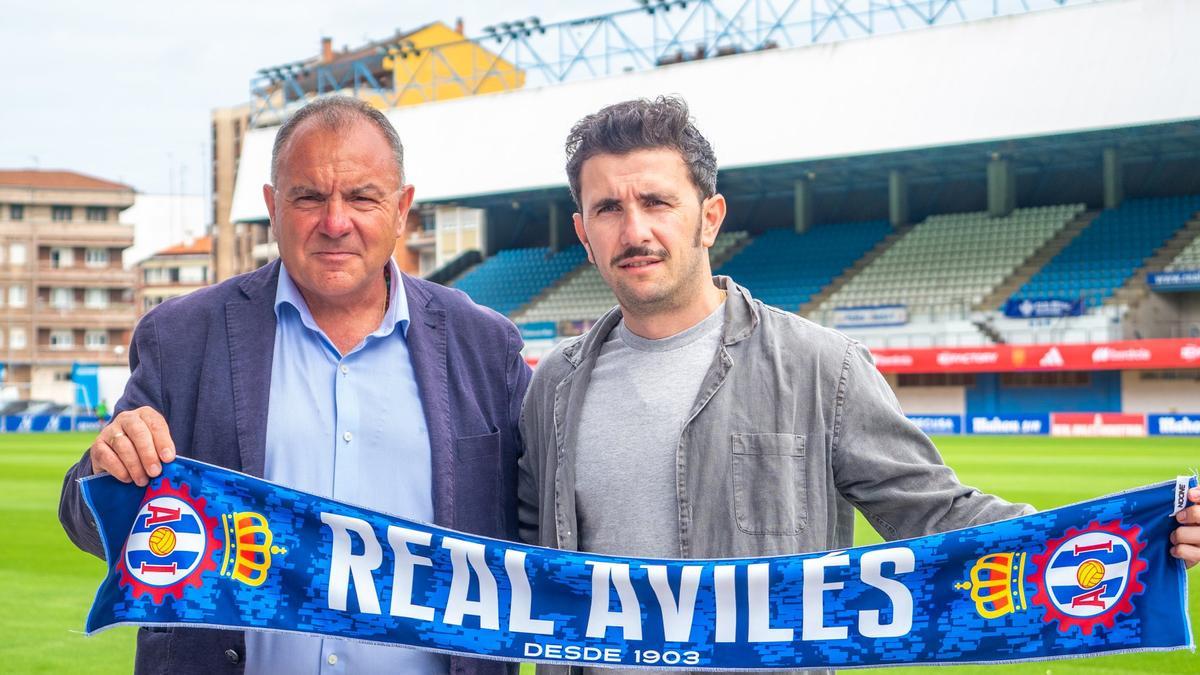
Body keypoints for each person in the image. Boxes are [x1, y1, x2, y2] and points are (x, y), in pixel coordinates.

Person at [516, 96, 1200, 674]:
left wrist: (1132, 533)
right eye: (608, 208)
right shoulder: (554, 385)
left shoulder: (823, 366)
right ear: (582, 230)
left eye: (657, 200)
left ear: (711, 216)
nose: (634, 229)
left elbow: (939, 517)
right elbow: (515, 551)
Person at [59, 96, 528, 675]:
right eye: (309, 197)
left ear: (402, 208)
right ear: (272, 206)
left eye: (362, 197)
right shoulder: (182, 338)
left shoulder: (485, 347)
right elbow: (87, 519)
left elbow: (542, 534)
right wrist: (110, 468)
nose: (336, 222)